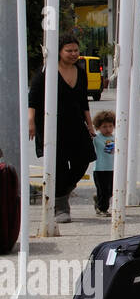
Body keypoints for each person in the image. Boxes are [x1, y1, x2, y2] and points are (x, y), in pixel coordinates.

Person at [27, 33, 95, 229]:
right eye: (69, 50)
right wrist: (31, 121)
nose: (73, 54)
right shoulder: (46, 71)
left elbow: (83, 101)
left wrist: (90, 125)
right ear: (59, 52)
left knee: (83, 159)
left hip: (75, 124)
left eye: (76, 50)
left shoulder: (80, 72)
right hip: (50, 125)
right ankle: (61, 207)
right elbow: (34, 98)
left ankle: (60, 194)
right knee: (59, 166)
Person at [91, 110, 116, 217]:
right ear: (98, 127)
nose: (108, 129)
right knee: (103, 190)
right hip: (100, 169)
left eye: (110, 126)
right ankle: (102, 209)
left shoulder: (114, 138)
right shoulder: (96, 138)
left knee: (110, 191)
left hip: (112, 168)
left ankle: (99, 200)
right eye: (104, 127)